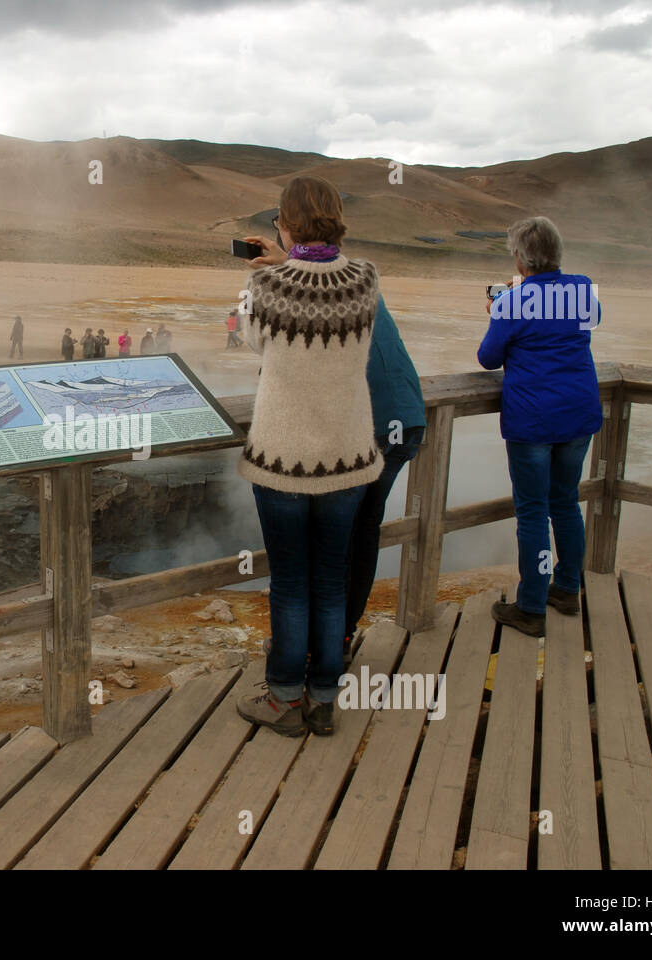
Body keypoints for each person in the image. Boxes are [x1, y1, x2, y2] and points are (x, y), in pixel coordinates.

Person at [234, 175, 383, 739]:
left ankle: (283, 698)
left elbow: (253, 340)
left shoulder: (267, 284)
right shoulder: (366, 280)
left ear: (288, 223)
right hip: (346, 460)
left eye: (279, 219)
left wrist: (264, 272)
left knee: (290, 583)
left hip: (282, 461)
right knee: (330, 580)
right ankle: (323, 699)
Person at [478, 216, 602, 637]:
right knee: (565, 503)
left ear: (520, 258)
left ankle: (531, 607)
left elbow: (488, 359)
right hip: (578, 415)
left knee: (532, 512)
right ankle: (566, 588)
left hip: (533, 420)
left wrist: (500, 311)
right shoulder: (583, 289)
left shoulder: (512, 302)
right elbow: (589, 320)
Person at [344, 293, 427, 646]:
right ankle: (342, 636)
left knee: (331, 534)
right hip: (406, 421)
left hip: (368, 428)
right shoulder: (362, 286)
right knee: (363, 530)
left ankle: (318, 648)